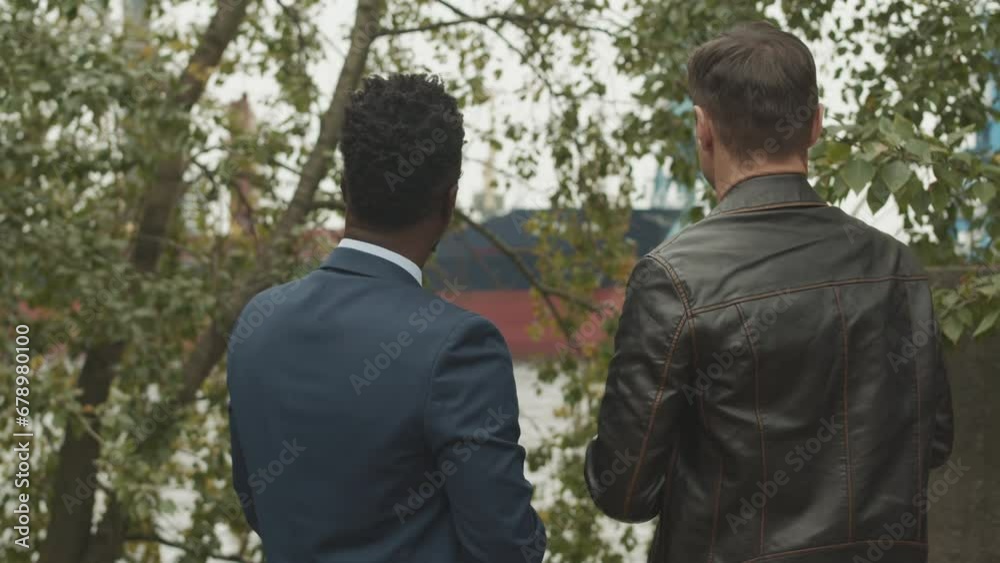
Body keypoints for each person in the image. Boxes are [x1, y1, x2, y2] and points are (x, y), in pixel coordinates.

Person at [585, 22, 954, 562]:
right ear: (817, 124)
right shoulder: (897, 266)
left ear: (703, 128)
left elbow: (625, 490)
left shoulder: (674, 278)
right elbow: (935, 441)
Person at [227, 74, 545, 563]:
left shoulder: (259, 320)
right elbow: (508, 547)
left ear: (343, 186)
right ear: (448, 199)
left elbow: (256, 503)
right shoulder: (459, 347)